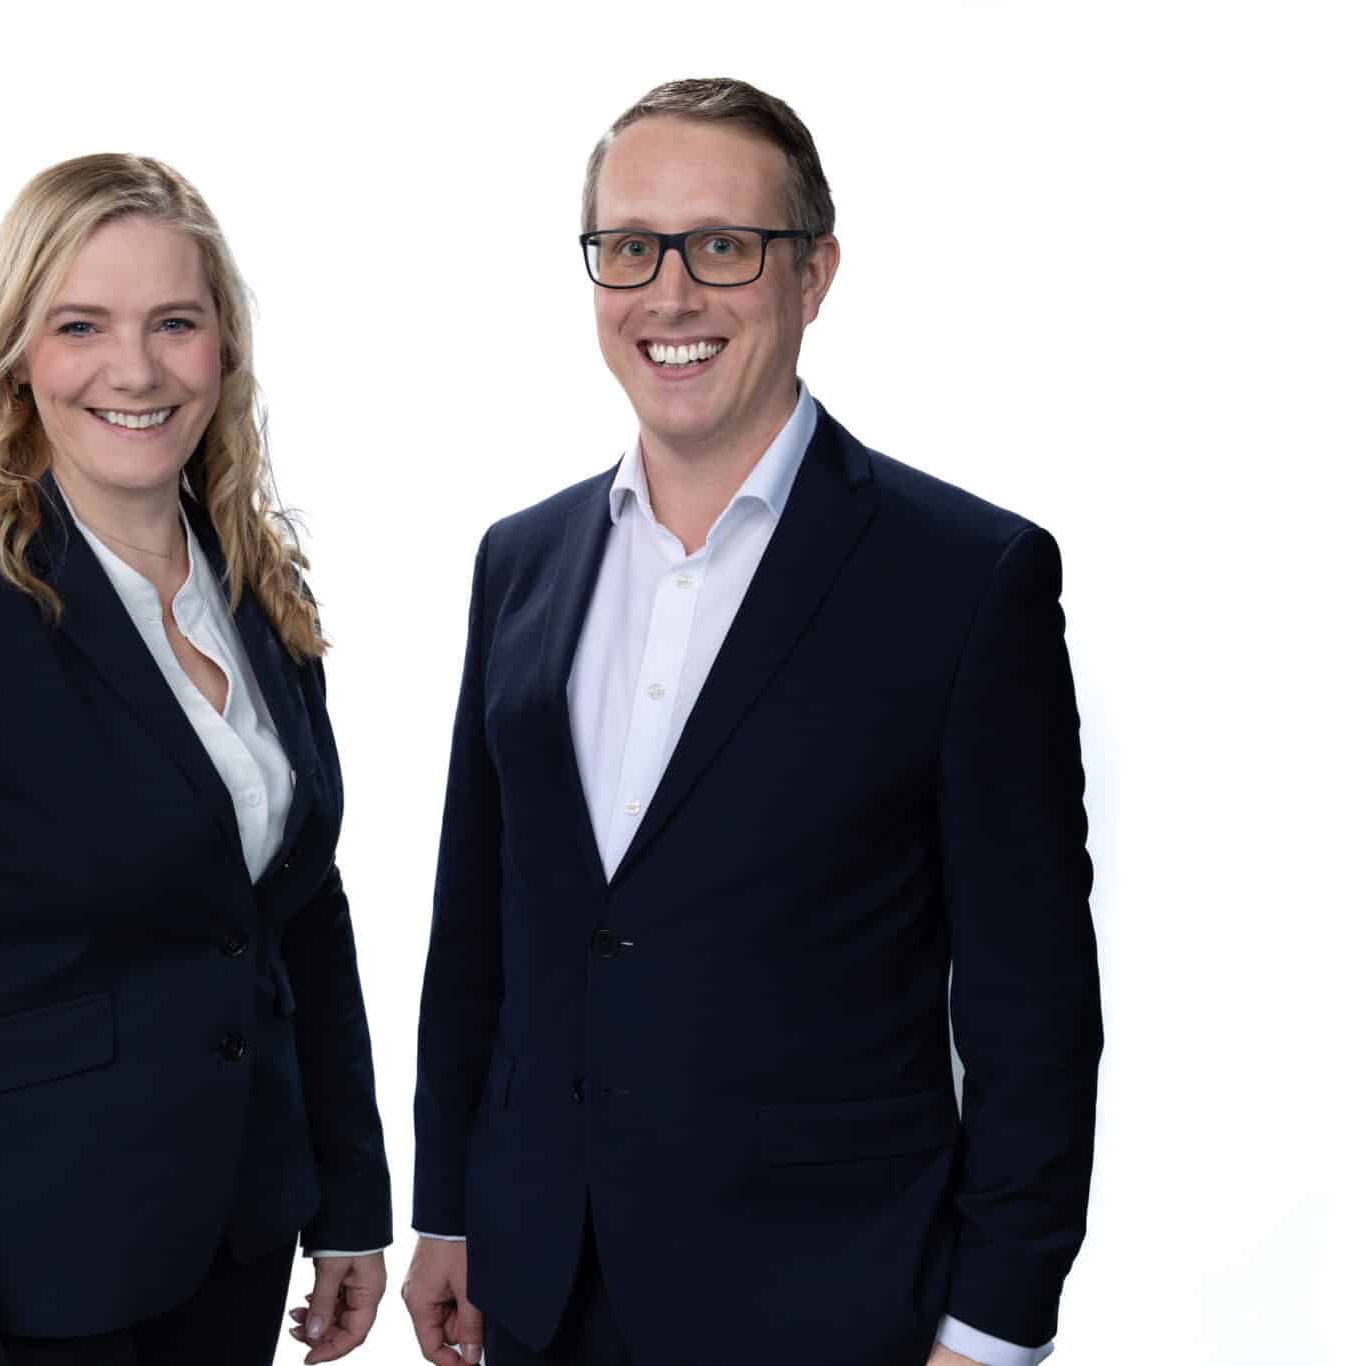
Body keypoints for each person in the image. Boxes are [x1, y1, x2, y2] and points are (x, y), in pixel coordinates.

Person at [401, 78, 1101, 1366]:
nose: (668, 295)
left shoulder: (963, 578)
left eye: (721, 246)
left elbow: (1031, 1008)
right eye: (629, 247)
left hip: (826, 1306)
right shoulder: (520, 561)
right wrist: (445, 1205)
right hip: (539, 1291)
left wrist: (994, 1328)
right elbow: (481, 928)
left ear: (812, 274)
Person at [0, 154, 390, 1366]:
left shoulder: (258, 593)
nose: (136, 369)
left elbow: (295, 914)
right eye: (81, 325)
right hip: (2, 1283)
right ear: (16, 352)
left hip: (224, 1255)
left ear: (223, 347)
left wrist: (347, 1201)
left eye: (175, 322)